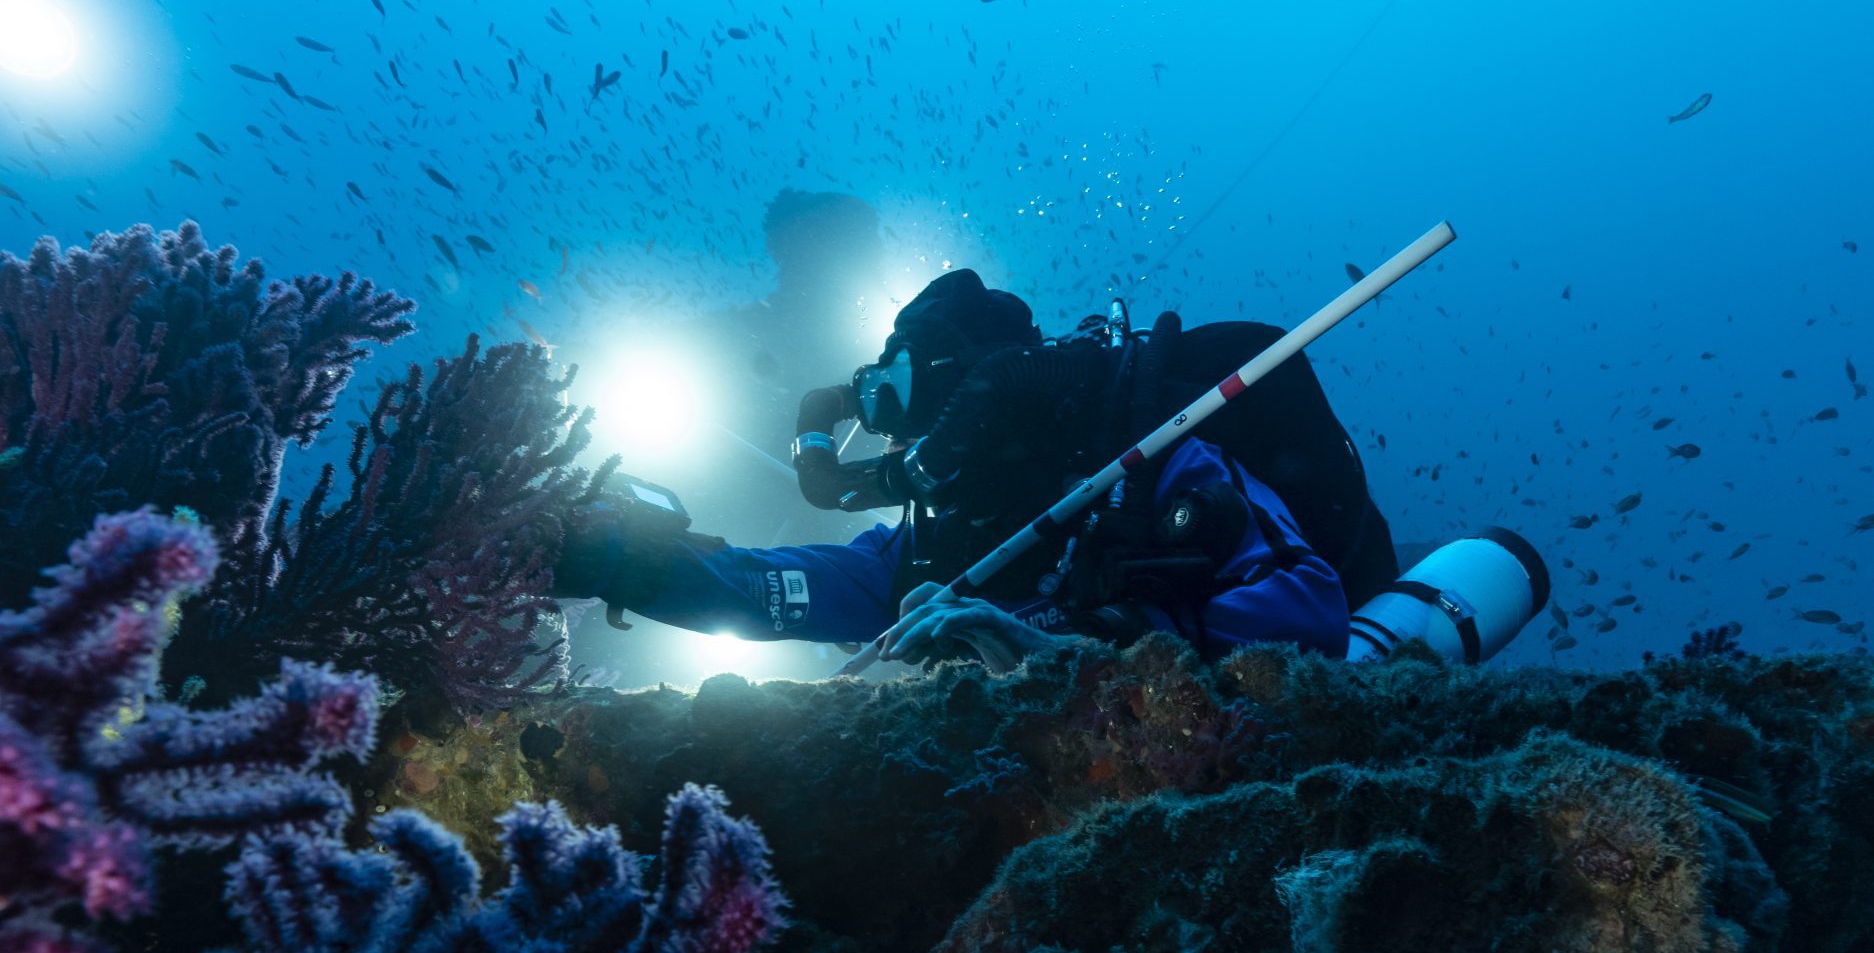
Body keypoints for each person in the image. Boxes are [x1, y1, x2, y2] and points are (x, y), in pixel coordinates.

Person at [553, 270, 1353, 673]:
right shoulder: (932, 542)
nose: (907, 451)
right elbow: (776, 592)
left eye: (920, 409)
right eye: (891, 418)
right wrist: (628, 563)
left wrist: (1072, 645)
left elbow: (1311, 602)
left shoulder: (1157, 462)